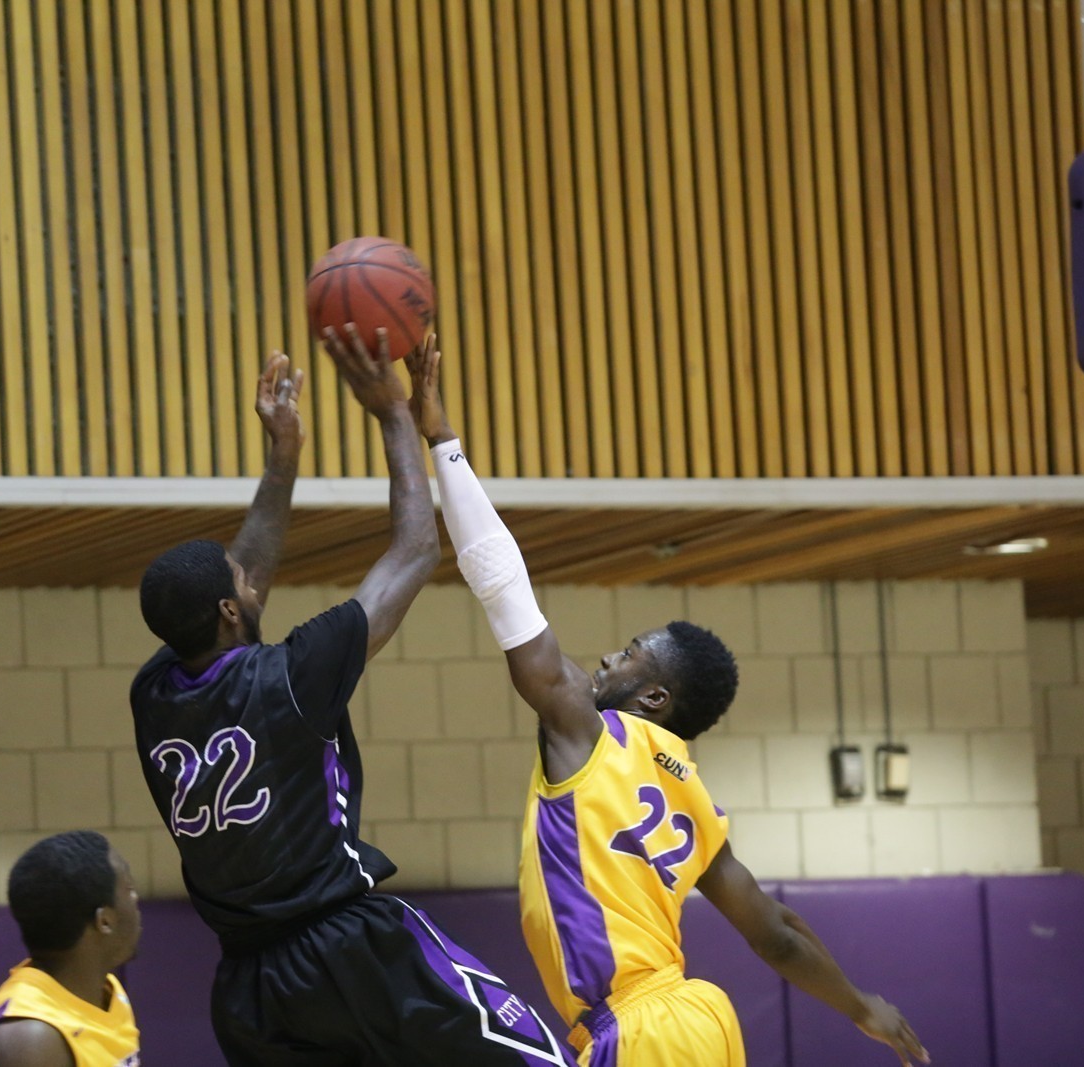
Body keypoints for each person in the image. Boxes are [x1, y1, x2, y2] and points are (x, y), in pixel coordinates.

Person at [403, 344, 930, 1067]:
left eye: (629, 653)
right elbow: (773, 928)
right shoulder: (691, 792)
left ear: (652, 695)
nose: (608, 659)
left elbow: (505, 589)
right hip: (700, 1019)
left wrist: (444, 444)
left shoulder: (587, 732)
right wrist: (860, 1004)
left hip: (638, 1029)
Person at [129, 329, 565, 1067]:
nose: (248, 576)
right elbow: (417, 550)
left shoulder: (152, 692)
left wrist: (284, 458)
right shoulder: (287, 680)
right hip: (349, 948)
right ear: (231, 612)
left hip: (248, 988)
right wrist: (395, 412)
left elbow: (242, 585)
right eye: (236, 582)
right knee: (537, 1057)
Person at [0, 831, 142, 1067]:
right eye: (129, 889)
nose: (135, 900)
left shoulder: (107, 990)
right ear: (105, 921)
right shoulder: (28, 1041)